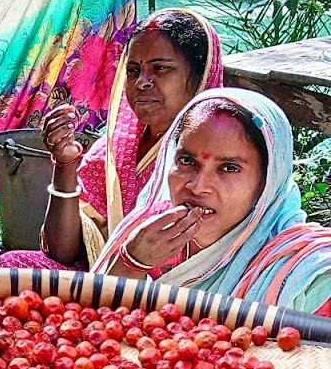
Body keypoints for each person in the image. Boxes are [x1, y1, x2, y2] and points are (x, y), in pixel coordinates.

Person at [0, 8, 223, 269]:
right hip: (109, 281)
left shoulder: (215, 157)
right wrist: (65, 165)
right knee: (13, 265)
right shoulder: (114, 152)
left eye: (160, 68)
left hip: (175, 292)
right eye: (134, 70)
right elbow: (62, 253)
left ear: (201, 77)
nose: (142, 82)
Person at [93, 88, 331, 313]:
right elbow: (91, 328)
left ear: (267, 183)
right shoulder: (151, 235)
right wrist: (131, 263)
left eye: (229, 168)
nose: (198, 186)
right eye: (187, 161)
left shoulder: (307, 274)